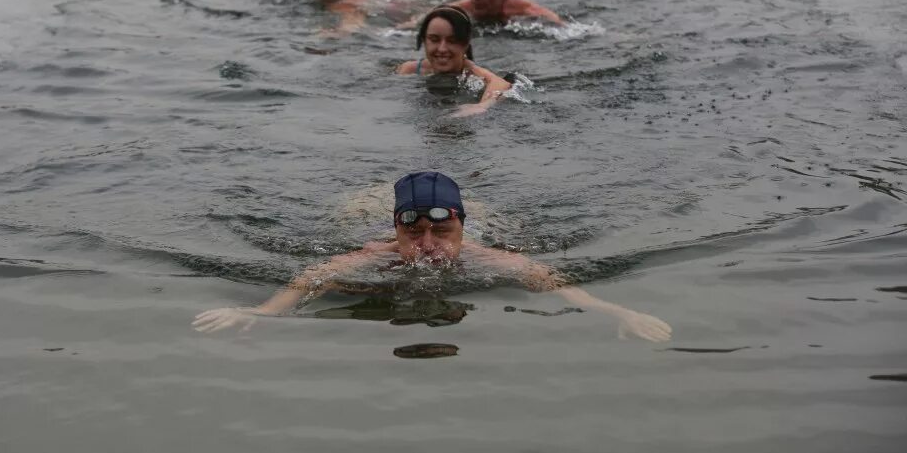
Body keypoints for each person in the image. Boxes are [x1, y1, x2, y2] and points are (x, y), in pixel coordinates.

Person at [193, 172, 672, 342]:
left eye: (443, 231)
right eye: (415, 233)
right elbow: (311, 278)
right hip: (365, 213)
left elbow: (550, 281)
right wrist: (256, 312)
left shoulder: (488, 256)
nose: (428, 246)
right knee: (348, 211)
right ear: (396, 231)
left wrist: (618, 310)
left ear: (461, 228)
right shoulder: (373, 254)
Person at [395, 5, 511, 117]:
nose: (442, 49)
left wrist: (481, 106)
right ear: (424, 41)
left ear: (465, 44)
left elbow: (501, 84)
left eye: (452, 41)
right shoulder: (410, 69)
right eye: (434, 39)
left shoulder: (472, 73)